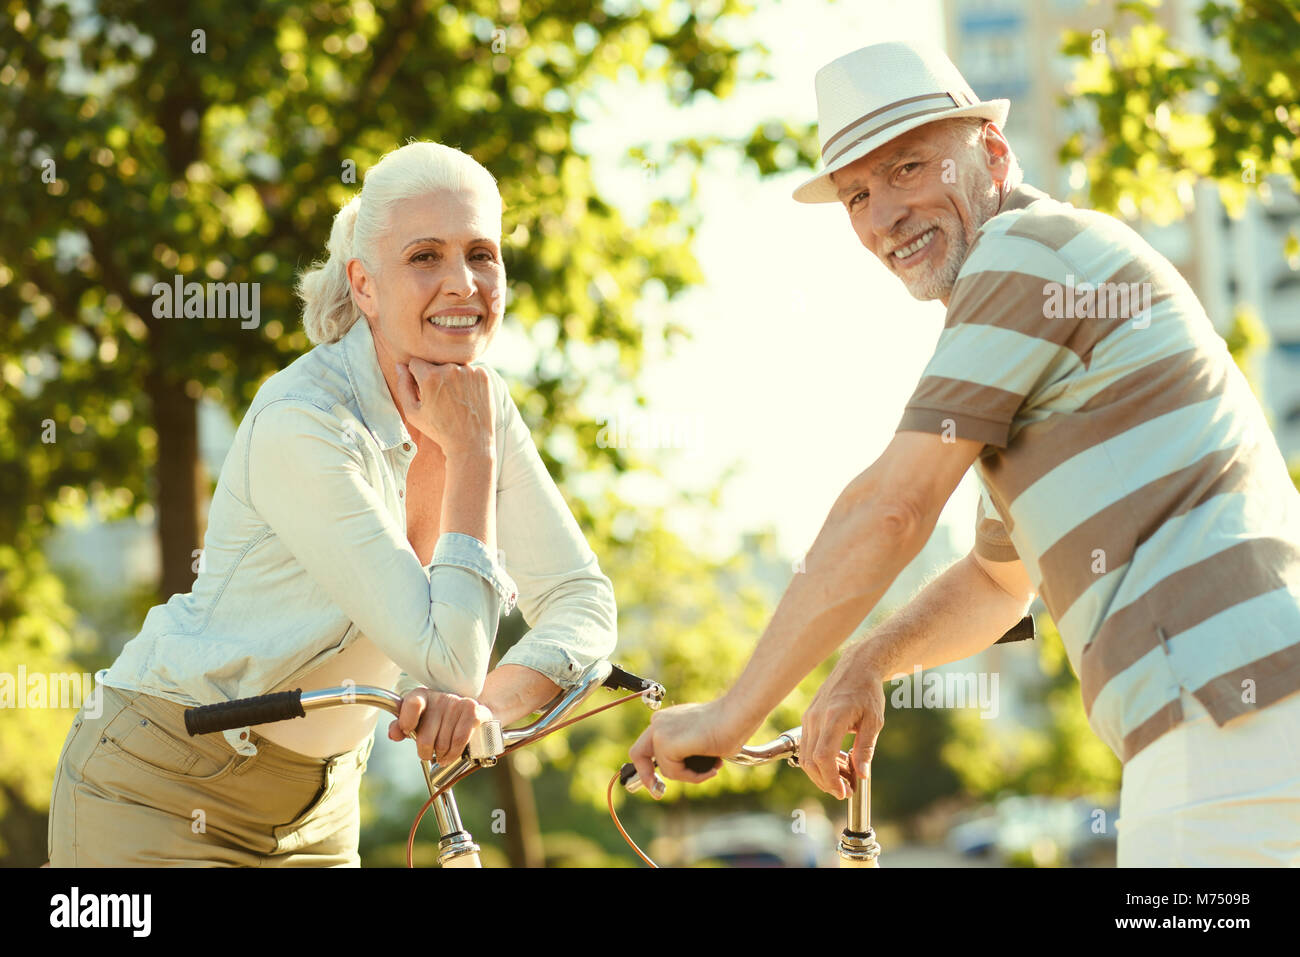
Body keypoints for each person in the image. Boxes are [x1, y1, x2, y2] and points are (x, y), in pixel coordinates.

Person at [630, 41, 1300, 866]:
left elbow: (892, 506)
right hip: (1240, 717)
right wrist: (868, 659)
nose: (883, 218)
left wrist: (731, 715)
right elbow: (996, 581)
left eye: (909, 168)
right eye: (857, 195)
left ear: (991, 151)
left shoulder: (1025, 255)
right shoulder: (1035, 308)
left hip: (1233, 719)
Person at [48, 141, 617, 866]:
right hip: (161, 780)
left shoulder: (483, 403)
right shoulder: (305, 420)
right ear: (365, 285)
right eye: (425, 257)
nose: (463, 283)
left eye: (482, 253)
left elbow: (582, 601)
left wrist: (488, 707)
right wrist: (470, 457)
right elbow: (447, 657)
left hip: (319, 809)